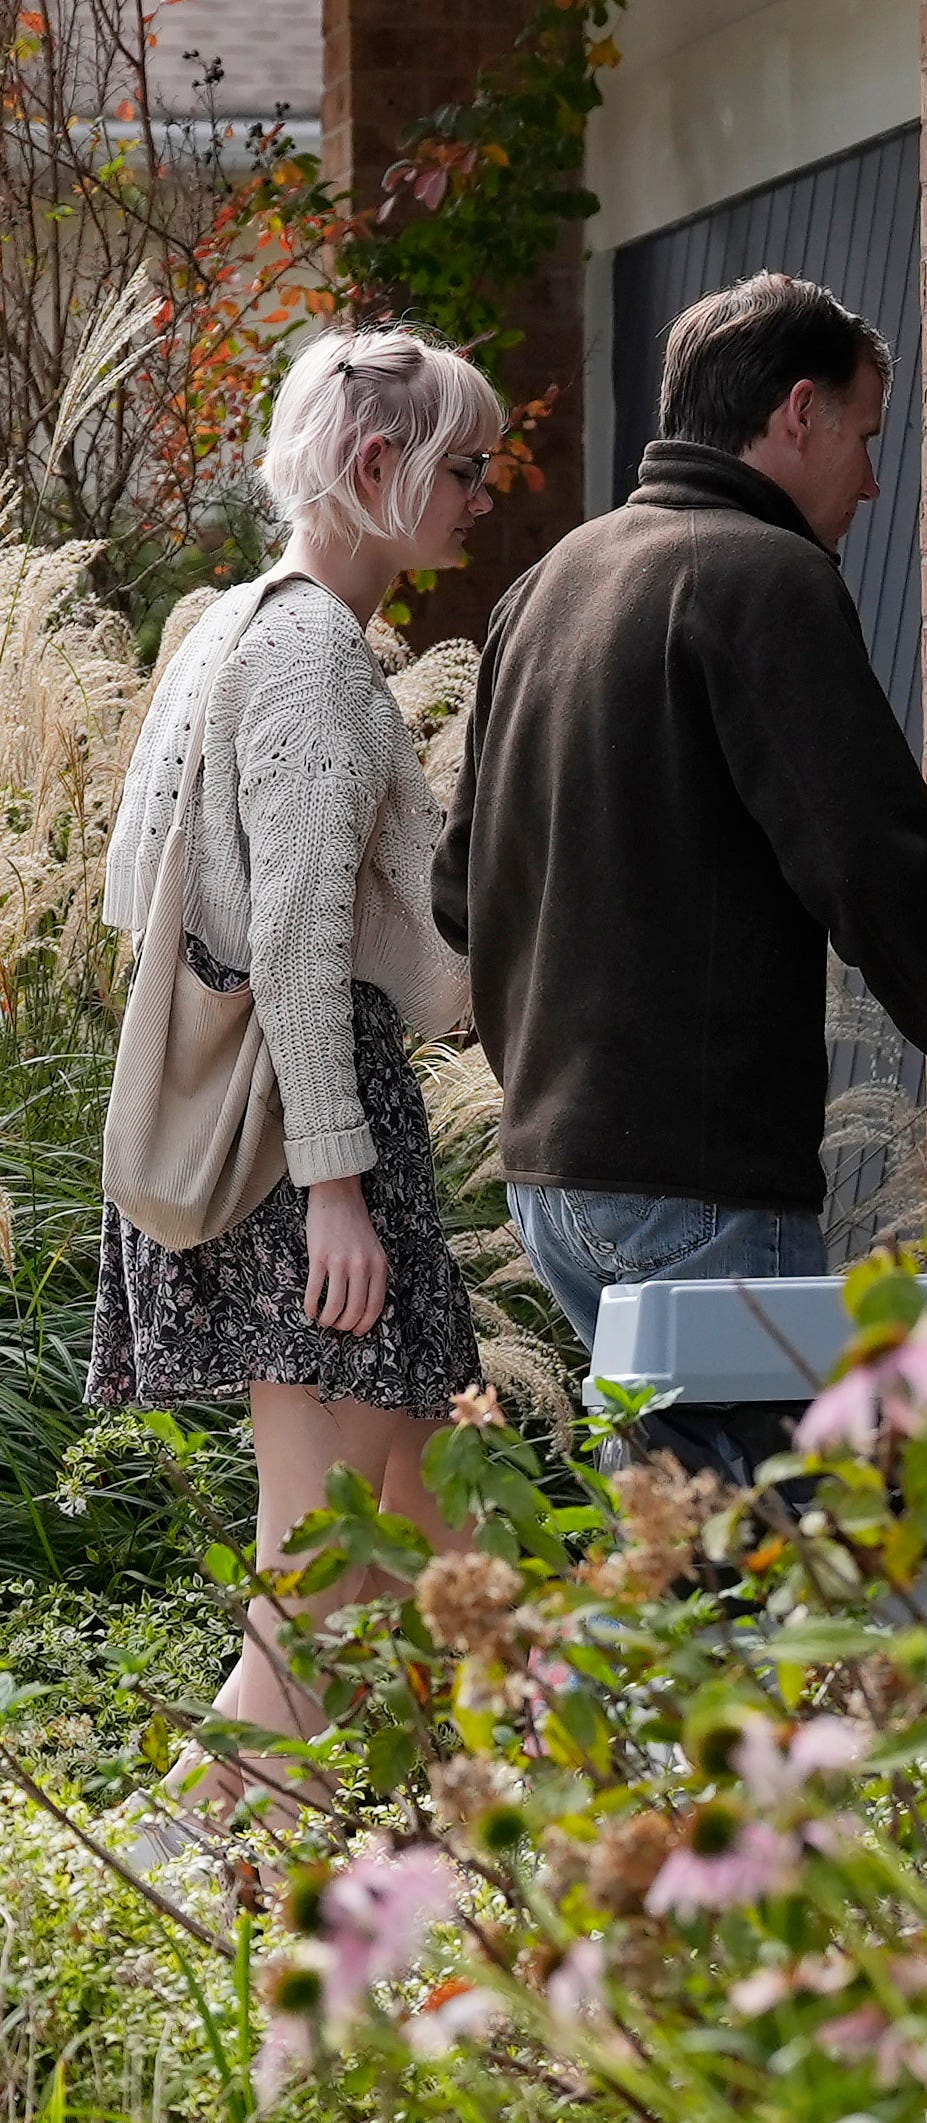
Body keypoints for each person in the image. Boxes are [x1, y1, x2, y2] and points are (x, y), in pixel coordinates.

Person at [437, 271, 927, 1347]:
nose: (873, 481)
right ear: (798, 411)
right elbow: (877, 884)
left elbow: (460, 894)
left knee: (680, 1512)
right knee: (774, 1510)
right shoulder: (766, 578)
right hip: (694, 1184)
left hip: (550, 1181)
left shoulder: (546, 586)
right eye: (866, 434)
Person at [92, 323, 497, 1755]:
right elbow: (299, 946)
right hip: (306, 1155)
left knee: (440, 1529)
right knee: (322, 1578)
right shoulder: (315, 653)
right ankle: (203, 1870)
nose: (481, 498)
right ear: (379, 463)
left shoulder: (236, 620)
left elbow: (139, 884)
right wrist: (336, 1183)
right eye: (465, 467)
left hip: (304, 1134)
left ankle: (479, 1839)